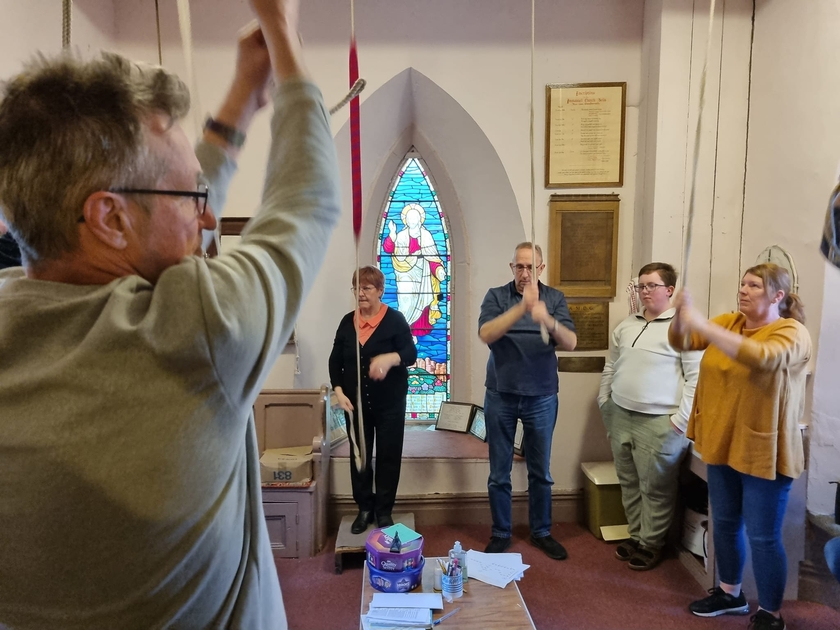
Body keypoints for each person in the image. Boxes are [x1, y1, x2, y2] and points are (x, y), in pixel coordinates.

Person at [0, 1, 341, 627]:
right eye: (192, 198)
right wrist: (285, 42)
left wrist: (242, 96)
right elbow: (308, 202)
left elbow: (161, 207)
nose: (209, 218)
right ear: (107, 218)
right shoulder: (194, 332)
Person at [670, 263, 811, 630]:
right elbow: (681, 341)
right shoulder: (729, 322)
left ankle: (770, 613)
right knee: (726, 525)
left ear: (777, 296)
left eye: (755, 285)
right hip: (722, 444)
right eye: (743, 283)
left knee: (763, 536)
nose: (744, 290)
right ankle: (730, 594)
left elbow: (762, 358)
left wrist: (702, 325)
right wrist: (681, 317)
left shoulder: (791, 332)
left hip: (765, 450)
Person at [598, 262, 702, 570]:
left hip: (661, 422)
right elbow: (611, 365)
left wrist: (679, 422)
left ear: (669, 290)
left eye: (651, 286)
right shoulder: (627, 325)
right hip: (621, 414)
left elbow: (696, 379)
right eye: (641, 285)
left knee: (655, 486)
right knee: (628, 481)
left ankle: (651, 543)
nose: (645, 291)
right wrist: (604, 400)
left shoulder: (684, 326)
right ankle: (636, 534)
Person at [478, 242, 577, 559]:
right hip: (501, 394)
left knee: (540, 471)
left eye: (530, 267)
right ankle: (501, 532)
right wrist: (521, 308)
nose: (524, 273)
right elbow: (486, 334)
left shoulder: (555, 298)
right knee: (499, 472)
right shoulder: (496, 296)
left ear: (541, 268)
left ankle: (541, 532)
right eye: (519, 267)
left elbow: (571, 342)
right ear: (512, 268)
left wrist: (545, 317)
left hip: (542, 396)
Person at [329, 265, 417, 533]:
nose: (361, 293)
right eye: (357, 287)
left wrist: (390, 359)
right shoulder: (347, 322)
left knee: (389, 457)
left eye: (367, 288)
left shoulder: (395, 320)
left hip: (390, 403)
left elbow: (410, 354)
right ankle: (365, 508)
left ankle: (384, 510)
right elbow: (335, 361)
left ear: (380, 290)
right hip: (355, 405)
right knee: (360, 458)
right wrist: (339, 391)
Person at [383, 203, 446, 338]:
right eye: (410, 218)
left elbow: (433, 258)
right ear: (405, 220)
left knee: (423, 302)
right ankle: (404, 331)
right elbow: (388, 249)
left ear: (419, 219)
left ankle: (415, 334)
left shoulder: (426, 235)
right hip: (405, 276)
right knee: (405, 302)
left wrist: (439, 270)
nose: (412, 221)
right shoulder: (401, 236)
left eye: (415, 218)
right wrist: (392, 234)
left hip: (423, 277)